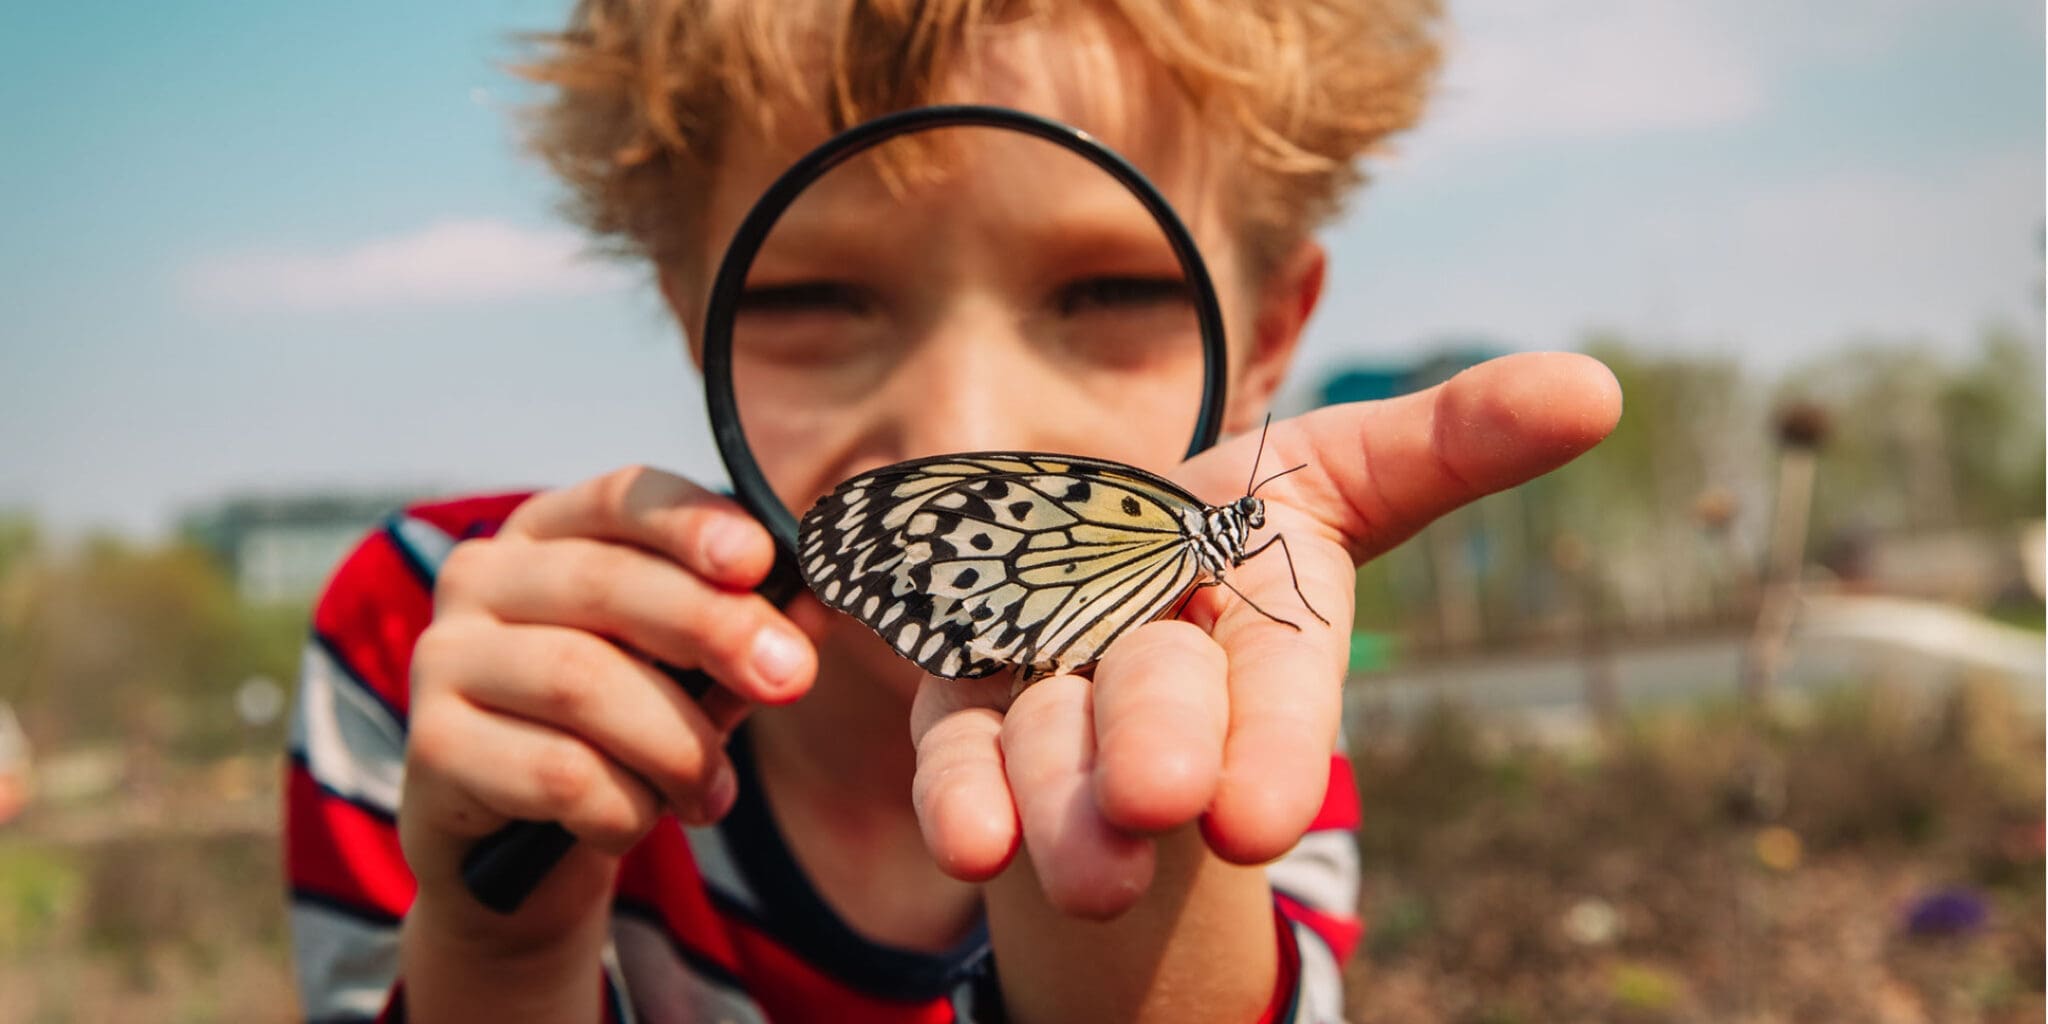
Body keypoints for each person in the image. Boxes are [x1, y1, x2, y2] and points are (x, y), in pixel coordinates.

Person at [285, 2, 1622, 1021]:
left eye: (1103, 293)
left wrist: (1140, 936)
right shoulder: (437, 627)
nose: (961, 423)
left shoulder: (1240, 720)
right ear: (696, 319)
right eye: (815, 301)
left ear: (1267, 333)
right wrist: (495, 954)